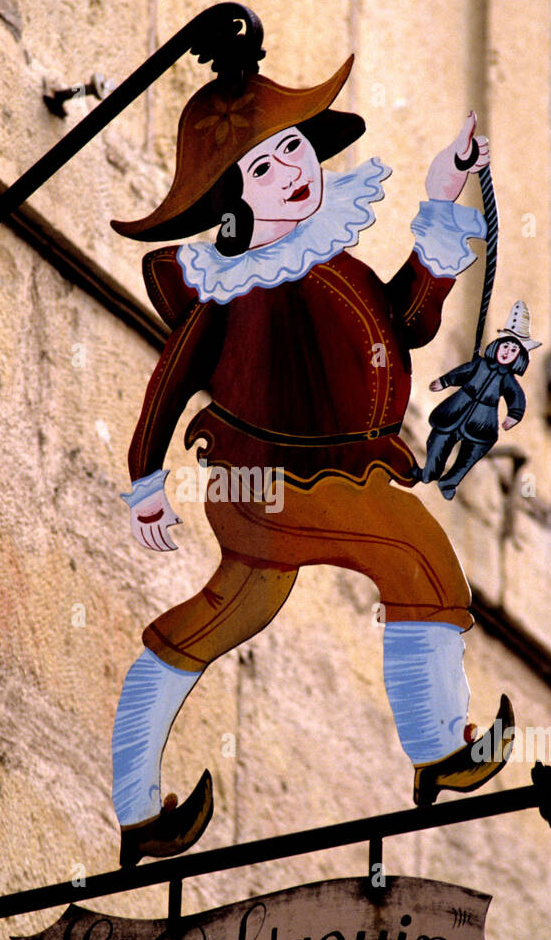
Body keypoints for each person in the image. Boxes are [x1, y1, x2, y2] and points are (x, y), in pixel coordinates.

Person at [109, 54, 514, 867]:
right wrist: (146, 482)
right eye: (262, 167)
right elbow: (172, 379)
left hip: (333, 477)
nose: (289, 172)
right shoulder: (226, 281)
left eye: (293, 150)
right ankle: (439, 746)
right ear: (231, 201)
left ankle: (137, 809)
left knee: (230, 612)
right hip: (265, 481)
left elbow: (407, 321)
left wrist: (441, 199)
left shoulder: (329, 255)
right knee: (419, 555)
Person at [420, 300, 541, 500]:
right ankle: (428, 472)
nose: (507, 352)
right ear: (498, 345)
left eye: (513, 350)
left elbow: (516, 398)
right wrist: (444, 381)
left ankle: (449, 481)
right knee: (439, 439)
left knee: (469, 456)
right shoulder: (479, 365)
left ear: (518, 357)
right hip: (456, 410)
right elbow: (461, 372)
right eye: (506, 346)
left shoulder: (508, 381)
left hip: (482, 423)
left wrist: (513, 416)